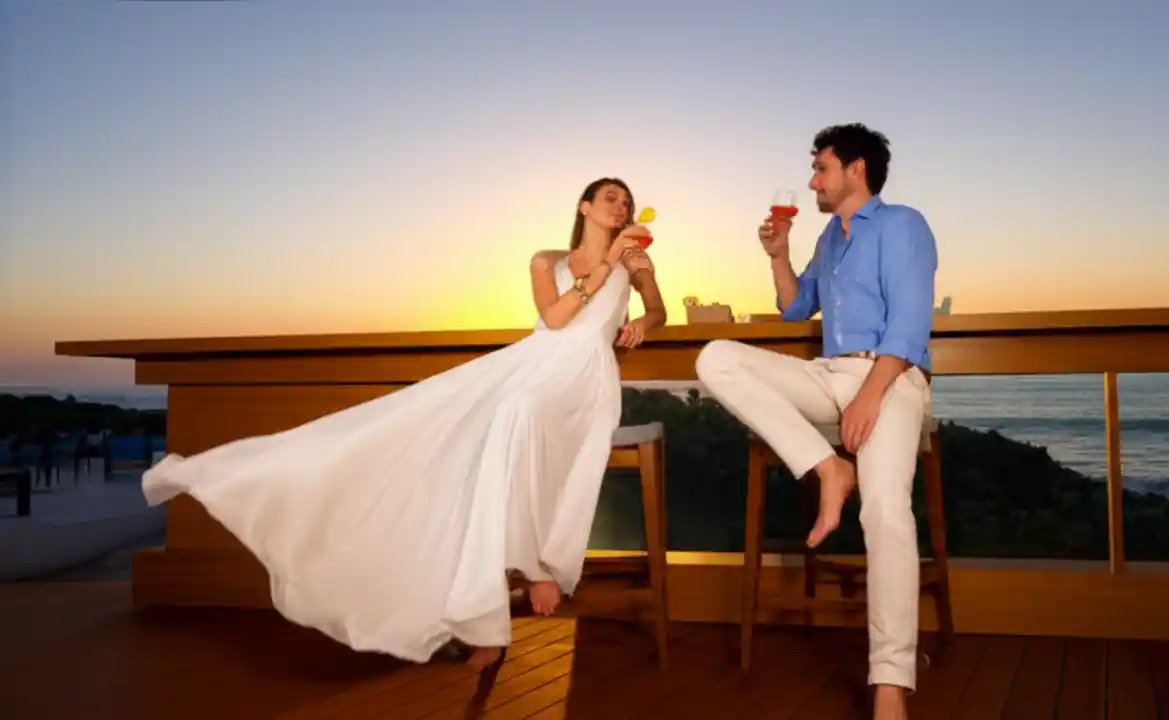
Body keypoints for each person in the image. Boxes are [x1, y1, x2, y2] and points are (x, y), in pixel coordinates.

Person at [142, 177, 666, 669]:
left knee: (515, 416)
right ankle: (512, 587)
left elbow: (658, 309)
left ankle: (531, 571)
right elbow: (553, 320)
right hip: (534, 363)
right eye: (611, 198)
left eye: (626, 200)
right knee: (473, 427)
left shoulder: (636, 259)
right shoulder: (547, 260)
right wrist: (601, 270)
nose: (620, 207)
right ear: (585, 208)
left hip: (586, 375)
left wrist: (644, 318)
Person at [695, 124, 937, 718]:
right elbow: (794, 304)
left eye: (820, 168)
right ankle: (826, 467)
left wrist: (869, 396)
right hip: (828, 376)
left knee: (885, 512)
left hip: (892, 378)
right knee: (716, 357)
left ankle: (889, 684)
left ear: (856, 169)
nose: (812, 181)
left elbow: (908, 327)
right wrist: (777, 256)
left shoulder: (904, 224)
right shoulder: (830, 237)